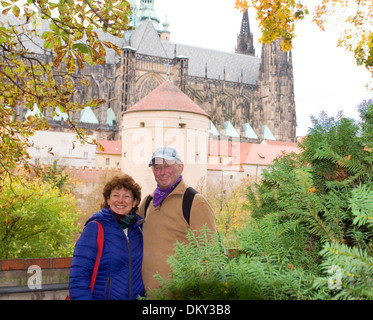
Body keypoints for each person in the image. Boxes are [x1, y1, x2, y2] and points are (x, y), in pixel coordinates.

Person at [139, 147, 216, 293]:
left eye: (167, 166)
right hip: (146, 293)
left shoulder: (194, 202)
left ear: (180, 167)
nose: (161, 172)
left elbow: (208, 254)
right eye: (157, 167)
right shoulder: (148, 201)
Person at [69, 174, 145, 300]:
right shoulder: (95, 228)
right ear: (108, 200)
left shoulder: (139, 229)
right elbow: (78, 276)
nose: (120, 200)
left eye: (126, 196)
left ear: (134, 202)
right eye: (115, 195)